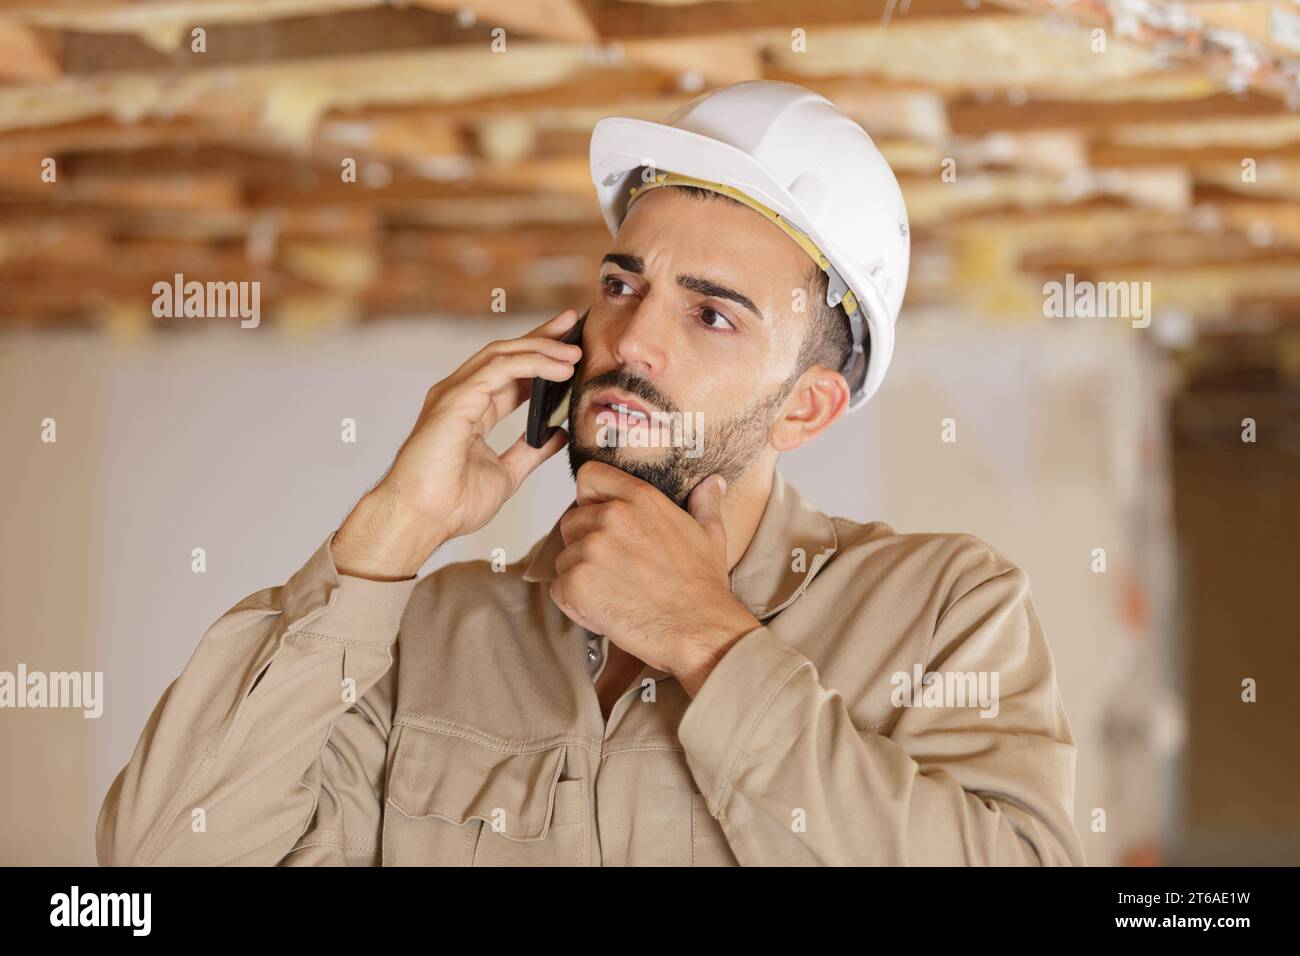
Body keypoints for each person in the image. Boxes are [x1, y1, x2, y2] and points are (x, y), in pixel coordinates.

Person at [97, 80, 1085, 866]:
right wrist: (392, 529)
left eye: (711, 314)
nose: (630, 339)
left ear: (806, 405)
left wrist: (708, 638)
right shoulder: (432, 631)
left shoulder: (944, 607)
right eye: (622, 284)